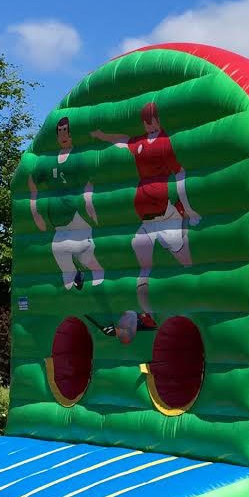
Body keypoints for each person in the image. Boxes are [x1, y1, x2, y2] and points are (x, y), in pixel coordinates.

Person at [91, 101, 202, 329]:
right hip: (146, 217)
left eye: (152, 118)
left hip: (165, 214)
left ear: (158, 120)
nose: (149, 123)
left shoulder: (164, 142)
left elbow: (180, 173)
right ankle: (147, 314)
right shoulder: (140, 142)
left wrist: (188, 208)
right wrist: (102, 135)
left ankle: (196, 304)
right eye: (146, 119)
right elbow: (122, 140)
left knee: (185, 261)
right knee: (144, 266)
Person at [28, 117, 104, 291]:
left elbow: (88, 182)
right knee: (60, 251)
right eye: (60, 131)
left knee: (77, 251)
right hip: (58, 221)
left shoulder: (77, 158)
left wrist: (88, 202)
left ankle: (96, 272)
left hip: (74, 215)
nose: (63, 135)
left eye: (66, 131)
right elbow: (32, 180)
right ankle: (75, 282)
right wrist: (35, 211)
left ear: (72, 134)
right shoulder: (48, 161)